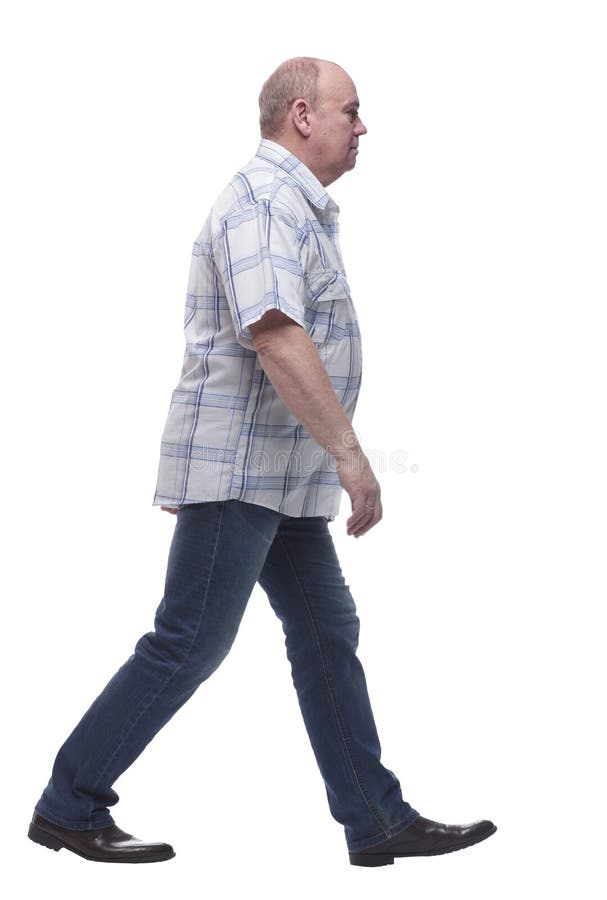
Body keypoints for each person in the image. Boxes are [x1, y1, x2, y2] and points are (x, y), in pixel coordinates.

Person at [28, 56, 496, 867]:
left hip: (276, 473)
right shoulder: (263, 201)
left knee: (324, 631)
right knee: (190, 641)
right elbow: (275, 333)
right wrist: (351, 456)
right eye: (351, 110)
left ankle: (375, 818)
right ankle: (68, 805)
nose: (363, 126)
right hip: (240, 469)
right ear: (302, 115)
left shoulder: (298, 209)